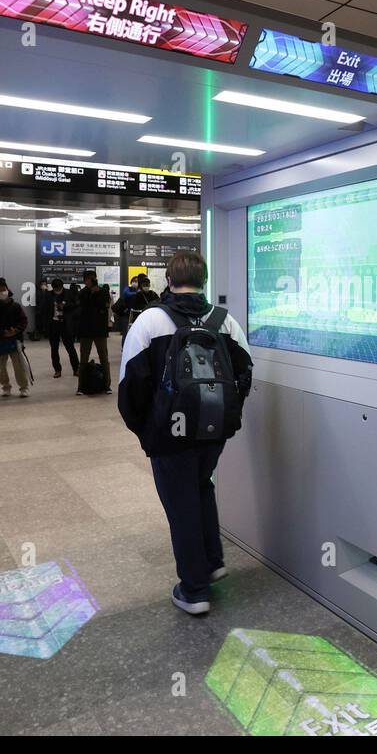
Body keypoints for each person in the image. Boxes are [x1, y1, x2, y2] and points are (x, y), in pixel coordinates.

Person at [117, 250, 253, 616]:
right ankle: (211, 562)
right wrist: (225, 417)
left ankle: (193, 591)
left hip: (168, 432)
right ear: (204, 279)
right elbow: (245, 374)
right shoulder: (225, 321)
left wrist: (148, 430)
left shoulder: (150, 320)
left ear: (168, 278)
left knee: (180, 503)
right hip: (213, 430)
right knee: (201, 485)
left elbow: (130, 386)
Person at [0, 278, 29, 398]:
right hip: (0, 341)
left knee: (18, 366)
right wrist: (2, 333)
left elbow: (23, 321)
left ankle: (24, 387)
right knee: (1, 368)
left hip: (15, 341)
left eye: (3, 289)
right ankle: (6, 387)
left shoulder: (16, 306)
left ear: (7, 289)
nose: (2, 292)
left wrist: (15, 330)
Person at [76, 269, 112, 394]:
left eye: (93, 278)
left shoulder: (103, 291)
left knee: (104, 357)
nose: (91, 281)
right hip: (86, 330)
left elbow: (104, 305)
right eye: (89, 279)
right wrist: (91, 292)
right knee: (83, 359)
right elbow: (82, 305)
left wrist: (96, 293)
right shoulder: (82, 293)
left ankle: (107, 385)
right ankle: (81, 387)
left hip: (100, 330)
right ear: (85, 280)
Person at [41, 277, 80, 378]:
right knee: (54, 349)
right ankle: (57, 370)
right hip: (53, 325)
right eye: (55, 289)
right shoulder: (48, 295)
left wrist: (65, 306)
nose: (57, 291)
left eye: (59, 289)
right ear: (52, 288)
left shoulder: (69, 293)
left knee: (70, 348)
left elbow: (76, 306)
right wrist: (45, 326)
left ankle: (76, 369)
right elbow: (44, 310)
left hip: (66, 324)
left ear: (62, 287)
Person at [112, 273, 160, 341]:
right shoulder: (130, 290)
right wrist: (137, 293)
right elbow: (127, 296)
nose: (146, 286)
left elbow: (158, 302)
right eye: (135, 281)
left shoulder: (152, 294)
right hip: (130, 316)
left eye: (147, 285)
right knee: (127, 334)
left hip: (148, 318)